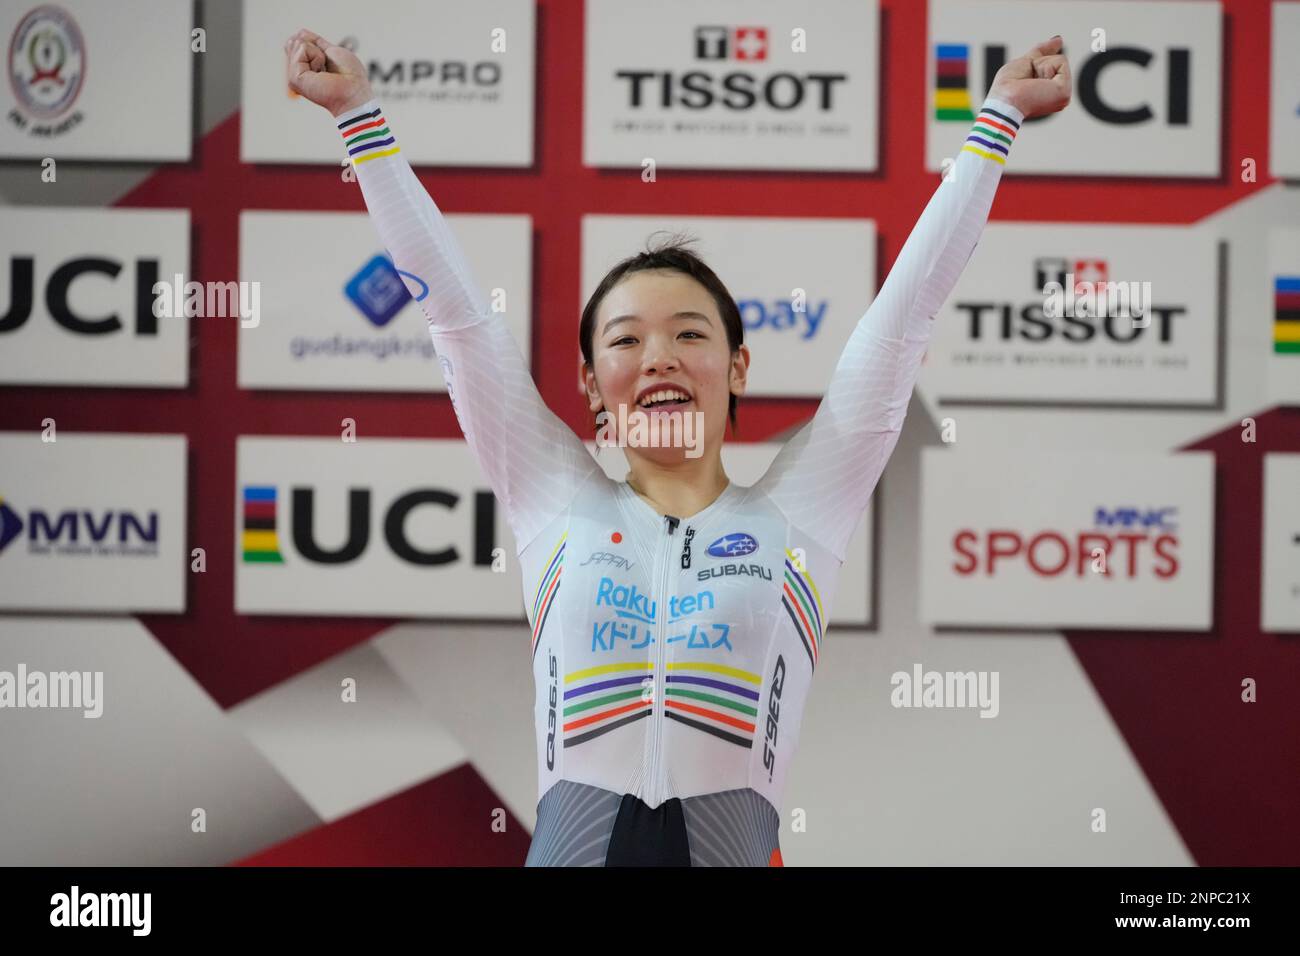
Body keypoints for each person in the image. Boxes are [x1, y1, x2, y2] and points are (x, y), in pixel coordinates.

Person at [284, 28, 1071, 866]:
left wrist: (998, 121)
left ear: (736, 367)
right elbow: (457, 322)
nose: (657, 356)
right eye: (625, 341)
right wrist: (357, 116)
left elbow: (900, 323)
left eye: (688, 334)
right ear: (591, 385)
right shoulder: (552, 498)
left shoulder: (802, 510)